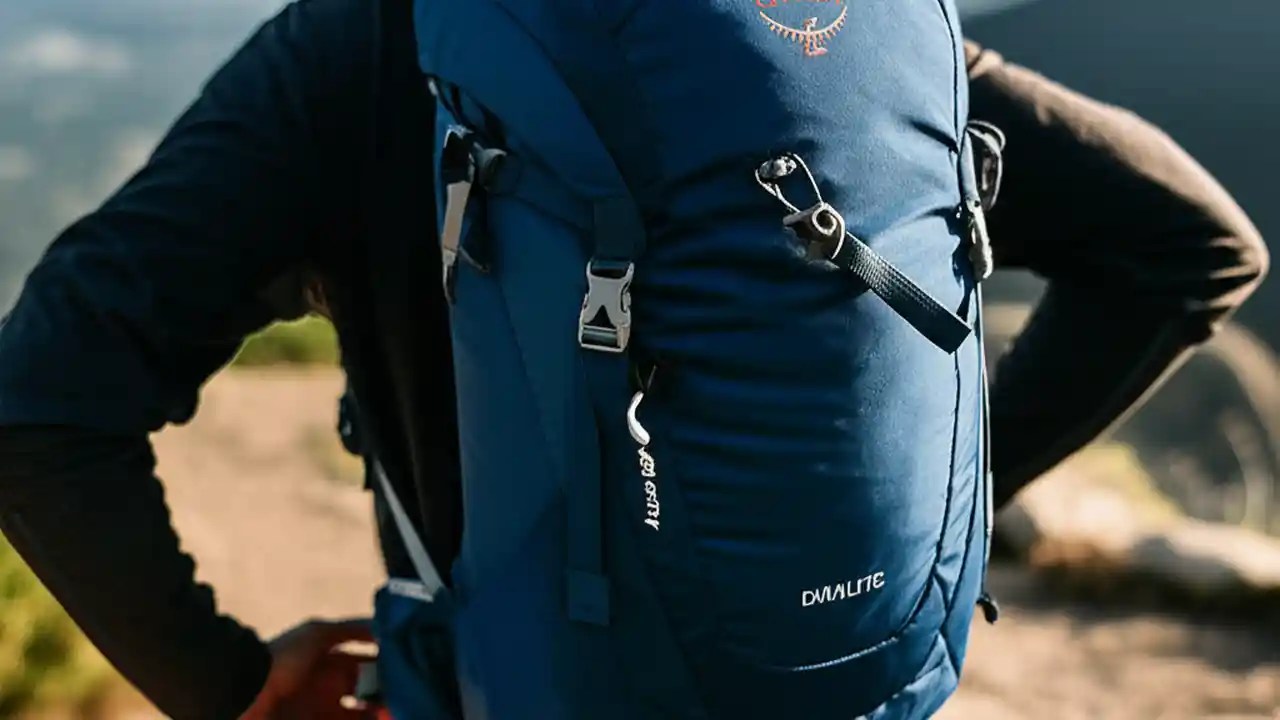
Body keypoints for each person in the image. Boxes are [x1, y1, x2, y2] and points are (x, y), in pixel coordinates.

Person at [0, 0, 1266, 715]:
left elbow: (42, 402)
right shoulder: (826, 42)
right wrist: (952, 516)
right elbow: (1193, 247)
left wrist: (225, 685)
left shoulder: (372, 48)